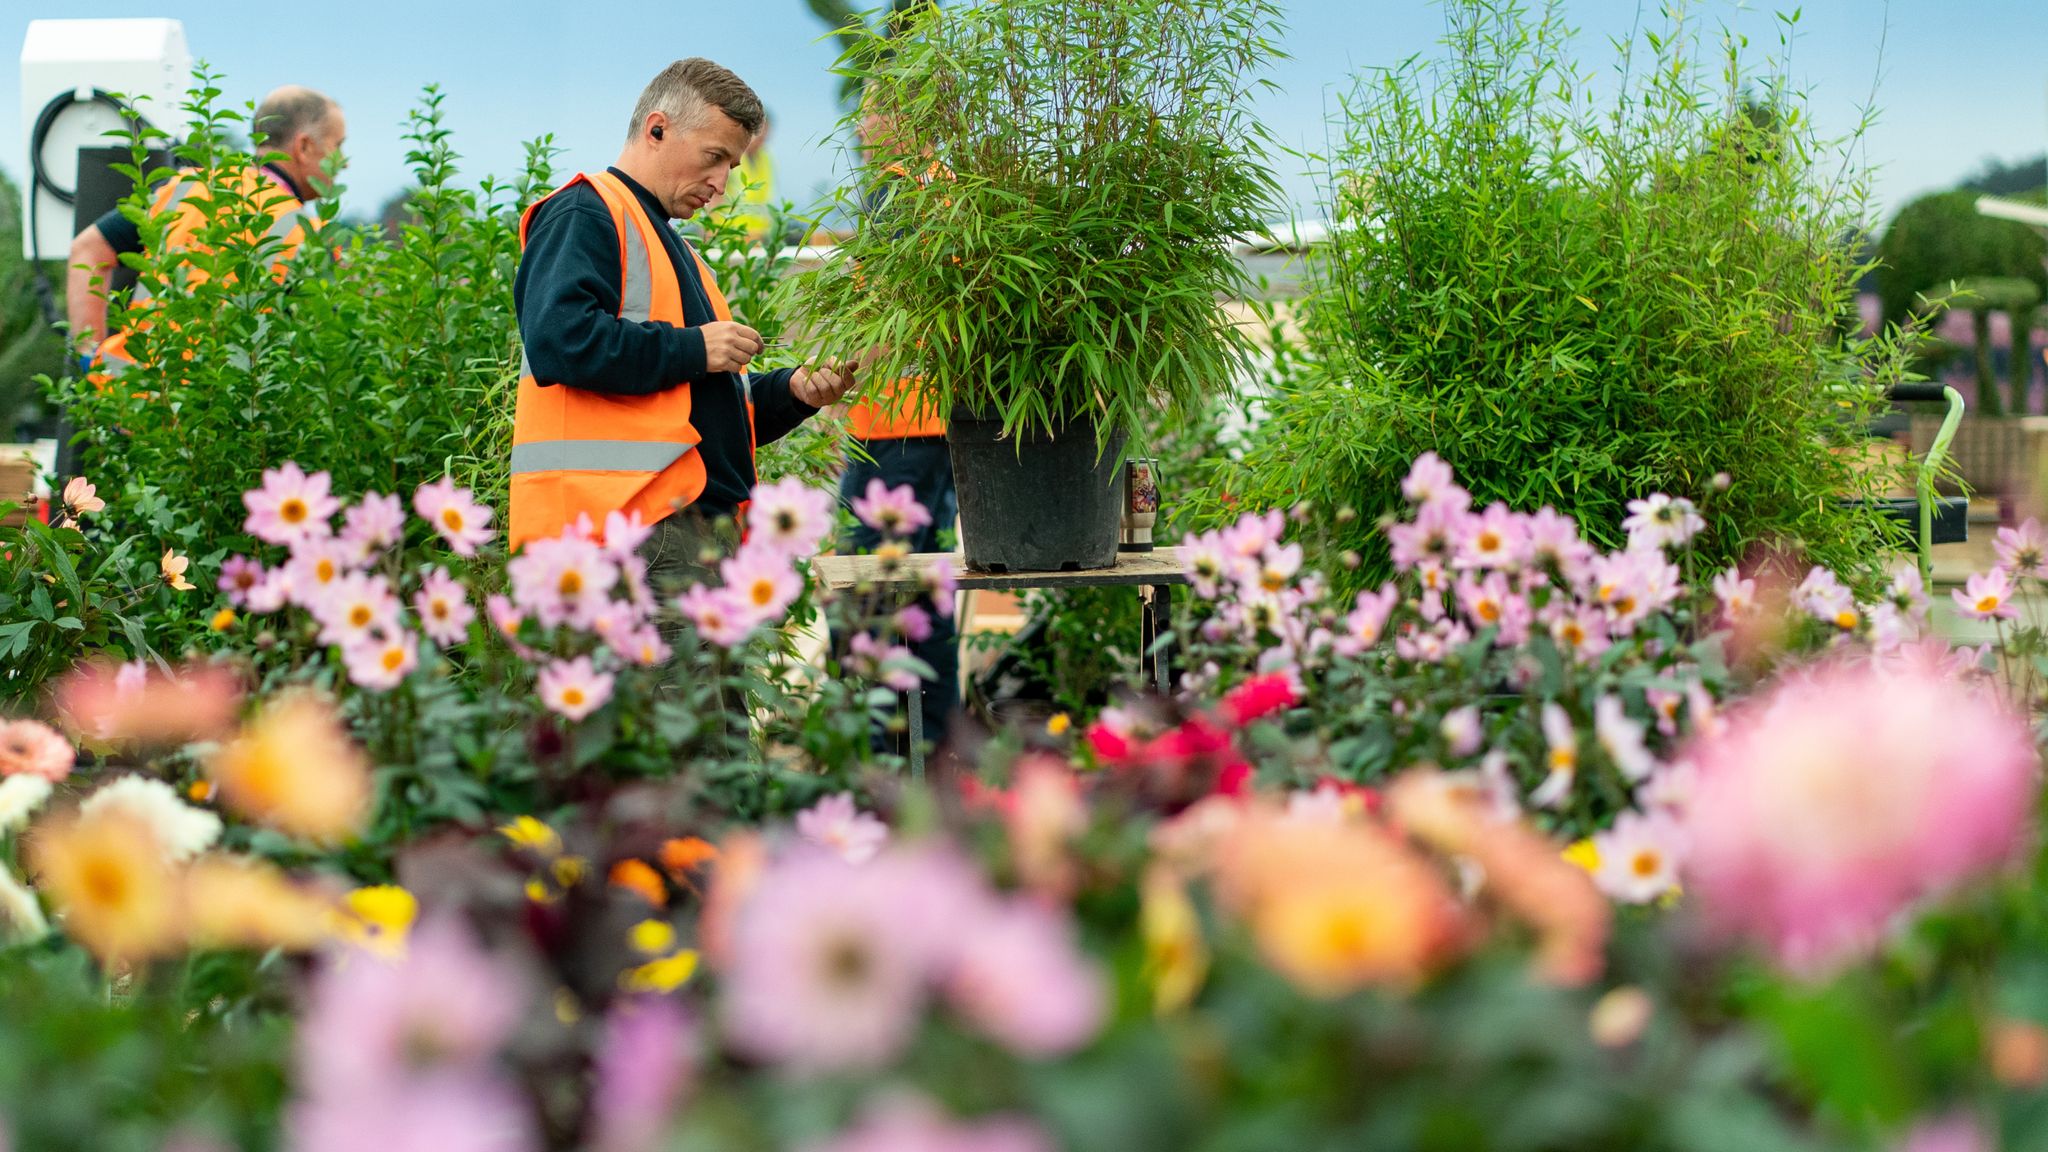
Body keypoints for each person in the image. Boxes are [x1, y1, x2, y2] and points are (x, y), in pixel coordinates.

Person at [511, 58, 853, 600]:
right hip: (631, 533)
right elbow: (559, 342)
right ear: (657, 128)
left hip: (677, 532)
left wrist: (792, 392)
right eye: (713, 158)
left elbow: (701, 410)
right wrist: (695, 347)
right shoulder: (587, 213)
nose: (720, 185)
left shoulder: (676, 249)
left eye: (732, 168)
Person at [837, 99, 958, 742]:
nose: (861, 126)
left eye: (873, 112)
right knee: (916, 588)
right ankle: (928, 741)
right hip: (918, 424)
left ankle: (892, 745)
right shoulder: (929, 190)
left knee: (881, 588)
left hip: (903, 427)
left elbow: (894, 321)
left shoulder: (906, 196)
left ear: (912, 116)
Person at [72, 86, 345, 366]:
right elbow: (328, 345)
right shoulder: (309, 235)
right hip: (216, 403)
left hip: (129, 392)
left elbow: (87, 249)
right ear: (304, 147)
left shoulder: (185, 187)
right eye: (338, 145)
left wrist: (89, 356)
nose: (344, 163)